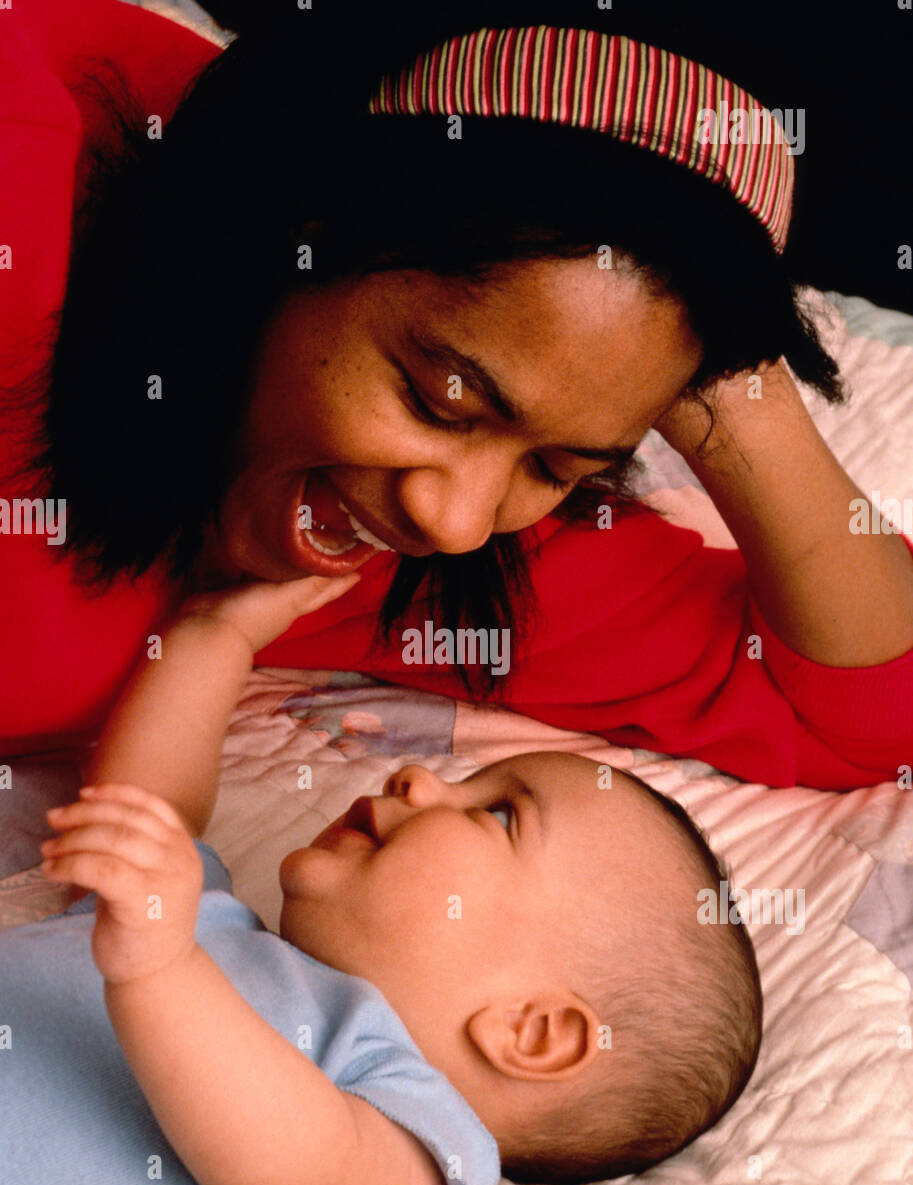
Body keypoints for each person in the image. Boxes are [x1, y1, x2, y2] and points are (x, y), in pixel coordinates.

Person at [2, 3, 911, 789]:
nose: (458, 520)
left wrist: (716, 332)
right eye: (439, 401)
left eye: (559, 465)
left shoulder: (408, 554)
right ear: (297, 231)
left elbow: (868, 716)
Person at [0, 571, 760, 1185]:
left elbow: (309, 1177)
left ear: (531, 1032)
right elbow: (146, 816)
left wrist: (160, 971)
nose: (414, 781)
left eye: (497, 813)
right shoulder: (209, 929)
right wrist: (213, 638)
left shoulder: (424, 1133)